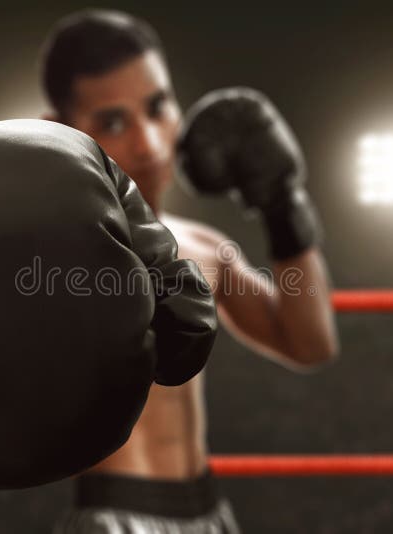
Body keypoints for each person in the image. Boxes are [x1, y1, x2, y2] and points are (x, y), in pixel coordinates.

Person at [41, 9, 339, 533]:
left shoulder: (206, 248)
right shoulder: (63, 251)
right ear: (63, 132)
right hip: (116, 512)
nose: (150, 144)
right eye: (113, 122)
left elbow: (310, 343)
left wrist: (284, 209)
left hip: (207, 510)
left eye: (158, 107)